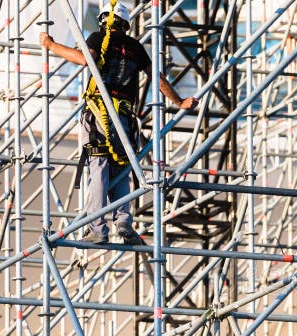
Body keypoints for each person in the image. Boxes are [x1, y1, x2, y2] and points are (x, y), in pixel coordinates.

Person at [39, 1, 198, 245]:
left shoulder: (98, 38)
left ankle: (98, 228)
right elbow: (156, 76)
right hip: (125, 117)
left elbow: (84, 60)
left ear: (103, 20)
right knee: (122, 169)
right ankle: (124, 221)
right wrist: (179, 101)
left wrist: (51, 45)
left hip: (99, 113)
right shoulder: (135, 47)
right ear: (126, 24)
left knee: (99, 166)